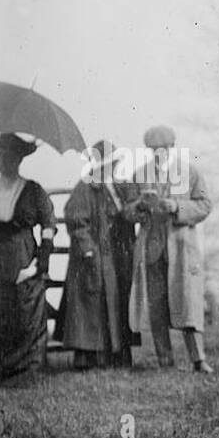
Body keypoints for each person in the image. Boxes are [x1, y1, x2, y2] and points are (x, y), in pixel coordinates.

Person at [124, 125, 213, 373]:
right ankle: (165, 360)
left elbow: (205, 205)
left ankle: (198, 359)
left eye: (162, 149)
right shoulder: (139, 175)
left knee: (188, 303)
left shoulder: (189, 172)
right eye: (153, 150)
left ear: (172, 148)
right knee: (156, 305)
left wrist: (175, 206)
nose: (158, 154)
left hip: (182, 248)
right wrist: (140, 206)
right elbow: (127, 211)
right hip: (152, 248)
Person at [0, 132, 57, 385]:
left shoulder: (33, 191)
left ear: (19, 160)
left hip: (22, 255)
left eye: (10, 157)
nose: (5, 161)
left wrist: (39, 262)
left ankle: (22, 373)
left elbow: (48, 225)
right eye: (0, 156)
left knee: (23, 311)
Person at [54, 139, 138, 368]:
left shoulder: (120, 186)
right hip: (95, 253)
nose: (109, 168)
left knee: (119, 300)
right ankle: (88, 358)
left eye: (113, 163)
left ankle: (119, 355)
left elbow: (131, 210)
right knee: (90, 304)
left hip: (119, 254)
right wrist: (88, 248)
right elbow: (76, 219)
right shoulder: (86, 187)